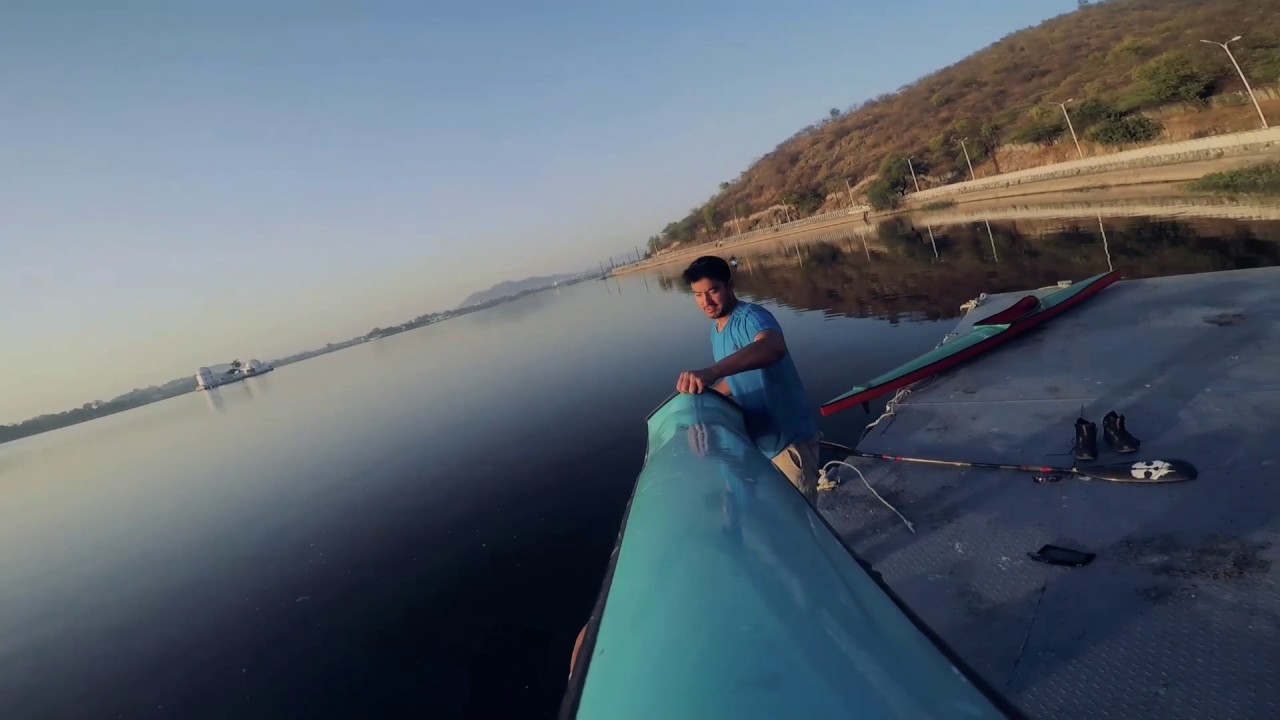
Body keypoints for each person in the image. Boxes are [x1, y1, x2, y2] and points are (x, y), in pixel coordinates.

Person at [675, 255, 821, 503]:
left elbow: (772, 347)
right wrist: (703, 405)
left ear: (729, 286)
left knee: (802, 524)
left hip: (788, 445)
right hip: (760, 445)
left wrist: (712, 371)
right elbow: (737, 378)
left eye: (713, 291)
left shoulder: (752, 317)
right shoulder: (716, 330)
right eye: (698, 295)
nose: (706, 302)